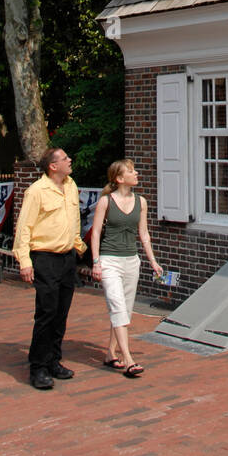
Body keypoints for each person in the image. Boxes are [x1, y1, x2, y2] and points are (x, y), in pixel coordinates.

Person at [12, 148, 87, 390]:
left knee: (61, 313)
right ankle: (38, 367)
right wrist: (25, 261)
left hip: (67, 258)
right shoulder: (36, 191)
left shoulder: (71, 185)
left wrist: (79, 247)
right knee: (46, 312)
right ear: (53, 166)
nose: (70, 160)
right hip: (45, 257)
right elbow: (24, 227)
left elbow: (74, 219)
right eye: (65, 158)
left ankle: (54, 360)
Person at [90, 158, 162, 377]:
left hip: (132, 261)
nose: (136, 173)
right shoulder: (106, 201)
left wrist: (153, 261)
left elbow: (144, 234)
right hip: (110, 260)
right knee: (117, 306)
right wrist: (96, 262)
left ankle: (110, 353)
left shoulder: (141, 202)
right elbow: (95, 233)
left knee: (124, 310)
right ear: (120, 178)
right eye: (131, 171)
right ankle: (128, 358)